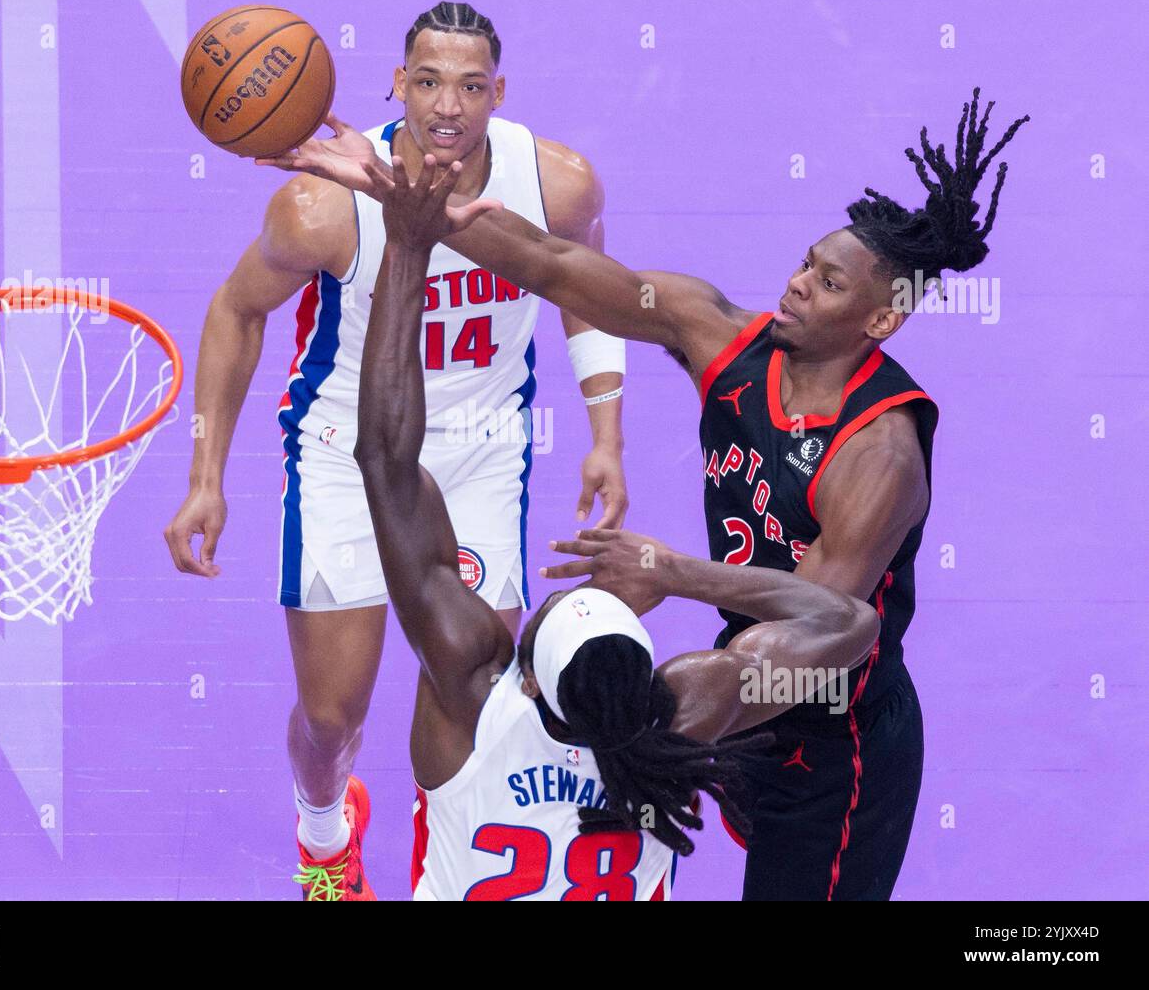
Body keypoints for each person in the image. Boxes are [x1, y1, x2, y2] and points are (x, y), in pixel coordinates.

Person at [279, 88, 1028, 899]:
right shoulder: (722, 335)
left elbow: (817, 618)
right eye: (808, 261)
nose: (800, 284)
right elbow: (550, 261)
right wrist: (406, 191)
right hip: (736, 687)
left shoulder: (880, 454)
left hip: (825, 730)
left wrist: (672, 573)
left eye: (830, 283)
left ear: (881, 321)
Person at [164, 1, 629, 900]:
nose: (446, 105)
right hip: (348, 449)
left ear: (500, 91)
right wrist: (204, 478)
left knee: (476, 686)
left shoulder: (560, 183)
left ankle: (441, 870)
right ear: (394, 86)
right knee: (333, 716)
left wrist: (605, 433)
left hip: (483, 453)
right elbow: (236, 310)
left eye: (468, 85)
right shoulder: (321, 203)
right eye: (426, 81)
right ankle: (325, 833)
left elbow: (592, 290)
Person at [356, 151, 879, 900]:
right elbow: (849, 619)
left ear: (528, 678)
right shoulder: (682, 718)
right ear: (648, 680)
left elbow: (384, 455)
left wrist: (406, 248)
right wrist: (678, 574)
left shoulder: (474, 698)